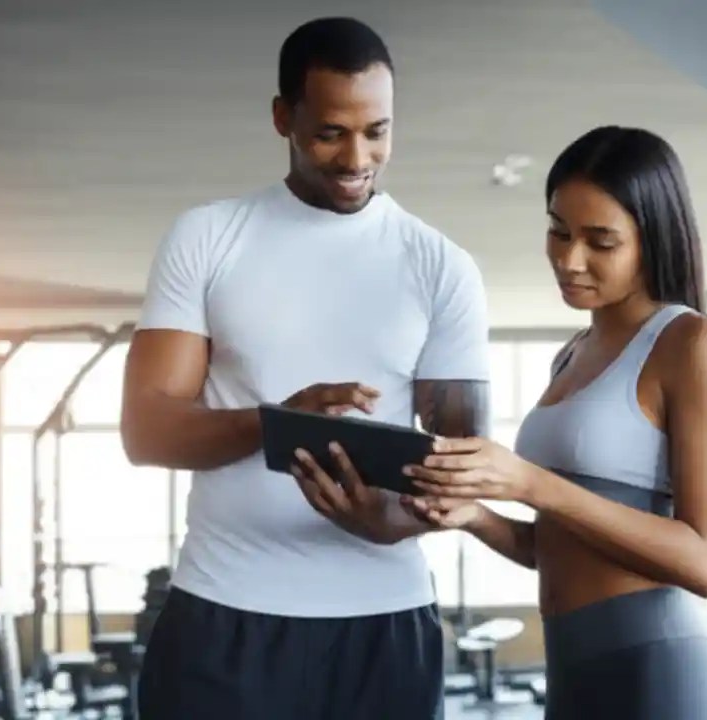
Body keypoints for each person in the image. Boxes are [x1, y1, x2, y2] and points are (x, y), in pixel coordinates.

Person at [299, 126, 707, 719]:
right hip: (573, 669)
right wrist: (474, 516)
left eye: (601, 241)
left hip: (659, 672)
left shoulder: (692, 343)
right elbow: (558, 547)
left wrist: (529, 482)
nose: (569, 259)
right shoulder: (573, 354)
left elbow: (706, 564)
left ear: (653, 238)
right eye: (559, 231)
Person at [119, 16, 491, 720]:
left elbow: (464, 465)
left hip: (383, 623)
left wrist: (392, 519)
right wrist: (278, 426)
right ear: (282, 118)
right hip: (224, 615)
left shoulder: (442, 266)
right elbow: (147, 431)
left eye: (377, 131)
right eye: (330, 133)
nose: (357, 157)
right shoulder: (207, 237)